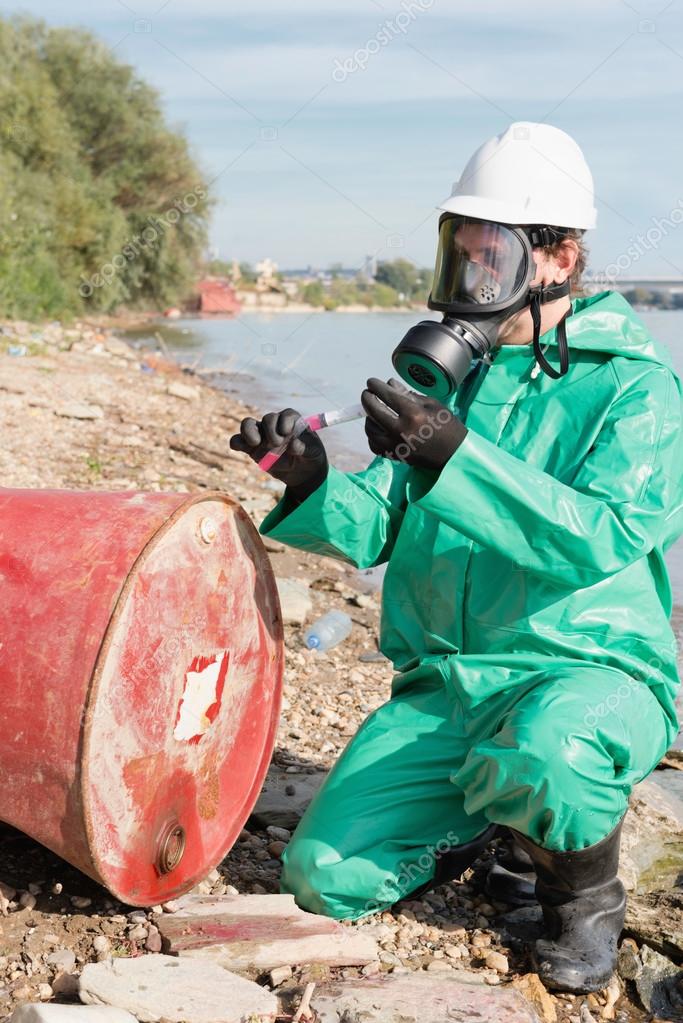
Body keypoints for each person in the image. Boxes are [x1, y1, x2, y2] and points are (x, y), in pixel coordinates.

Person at [230, 122, 683, 994]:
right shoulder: (456, 379)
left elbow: (604, 535)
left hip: (587, 673)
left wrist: (456, 456)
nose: (472, 278)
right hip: (449, 685)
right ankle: (489, 821)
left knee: (551, 750)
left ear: (555, 258)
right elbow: (378, 523)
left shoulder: (635, 386)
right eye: (462, 253)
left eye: (493, 256)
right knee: (322, 877)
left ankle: (579, 896)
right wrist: (308, 478)